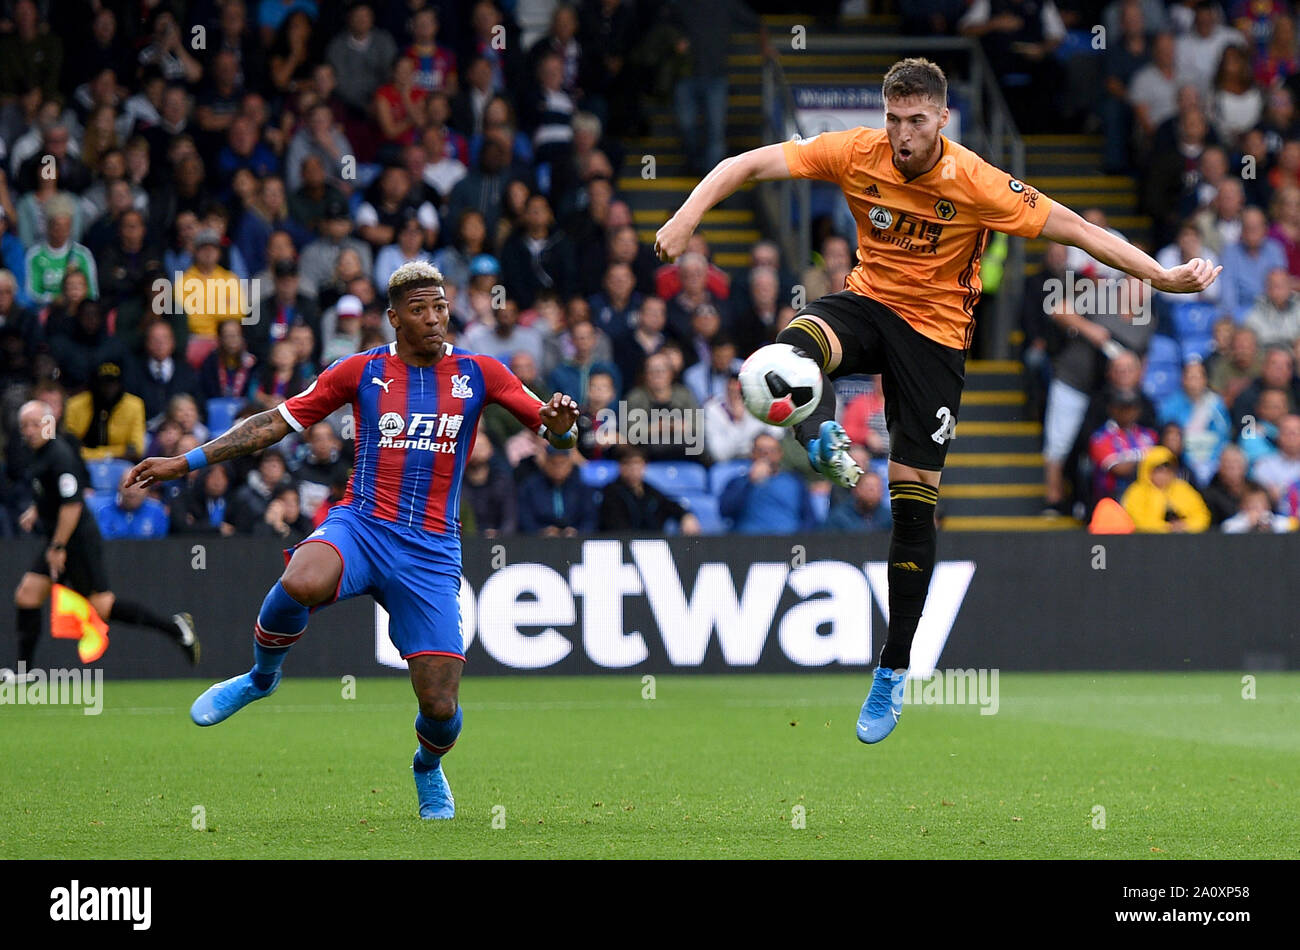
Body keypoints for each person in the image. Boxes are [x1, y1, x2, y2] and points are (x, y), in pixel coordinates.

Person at [655, 57, 1220, 744]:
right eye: (893, 120)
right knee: (785, 352)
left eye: (916, 122)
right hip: (867, 303)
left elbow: (1076, 228)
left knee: (912, 502)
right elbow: (744, 164)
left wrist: (1160, 274)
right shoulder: (858, 152)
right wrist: (686, 217)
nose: (901, 135)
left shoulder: (977, 180)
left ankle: (894, 665)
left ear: (943, 119)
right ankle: (820, 434)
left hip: (936, 340)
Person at [127, 262, 580, 820]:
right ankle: (260, 677)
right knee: (300, 580)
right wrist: (186, 460)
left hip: (432, 551)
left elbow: (557, 433)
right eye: (420, 309)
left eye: (440, 306)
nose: (435, 318)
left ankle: (427, 767)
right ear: (394, 318)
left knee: (440, 707)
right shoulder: (360, 371)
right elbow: (273, 423)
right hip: (362, 525)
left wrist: (561, 424)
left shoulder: (480, 372)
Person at [5, 400, 197, 680]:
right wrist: (37, 509)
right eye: (25, 426)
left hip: (76, 541)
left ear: (49, 424)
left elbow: (73, 505)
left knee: (102, 607)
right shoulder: (37, 454)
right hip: (60, 538)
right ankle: (25, 671)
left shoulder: (59, 454)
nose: (29, 430)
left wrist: (58, 547)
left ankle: (175, 628)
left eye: (35, 424)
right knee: (28, 594)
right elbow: (53, 493)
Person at [598, 444, 700, 534]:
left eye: (637, 464)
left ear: (644, 466)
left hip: (653, 547)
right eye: (628, 464)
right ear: (620, 466)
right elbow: (618, 529)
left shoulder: (650, 492)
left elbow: (670, 505)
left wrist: (686, 516)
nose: (633, 470)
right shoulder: (611, 493)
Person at [1120, 445, 1212, 532]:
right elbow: (1136, 521)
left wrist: (1186, 525)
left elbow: (1203, 516)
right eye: (1158, 470)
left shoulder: (1183, 489)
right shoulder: (1136, 492)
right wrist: (1166, 527)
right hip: (1148, 542)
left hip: (1184, 540)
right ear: (1147, 470)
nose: (1163, 474)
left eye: (1168, 470)